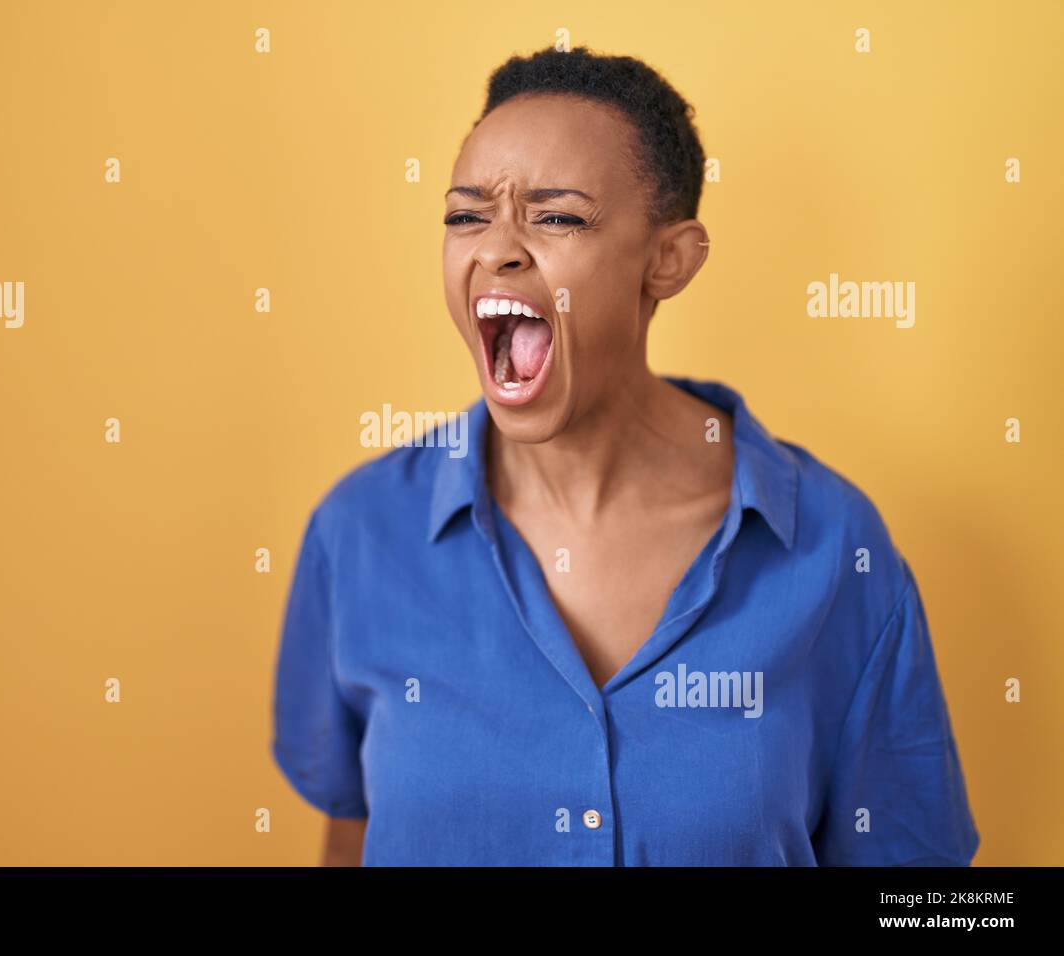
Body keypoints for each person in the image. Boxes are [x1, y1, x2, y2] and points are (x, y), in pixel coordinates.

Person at [271, 45, 979, 866]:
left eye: (557, 216)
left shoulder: (833, 546)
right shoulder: (359, 535)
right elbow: (348, 845)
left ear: (669, 260)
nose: (496, 248)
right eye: (467, 215)